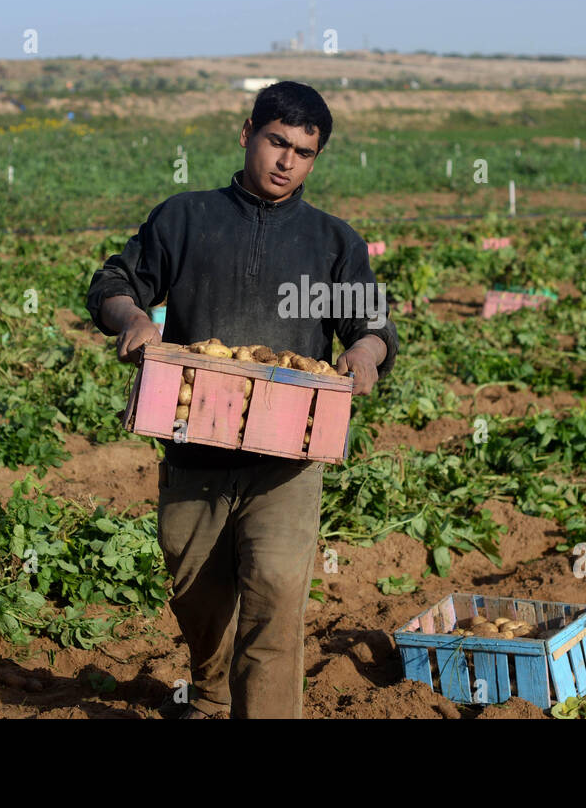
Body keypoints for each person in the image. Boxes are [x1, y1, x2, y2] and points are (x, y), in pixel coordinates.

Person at [86, 81, 399, 719]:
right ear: (247, 134)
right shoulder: (185, 219)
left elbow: (369, 326)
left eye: (304, 152)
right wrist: (133, 321)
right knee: (199, 598)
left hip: (286, 458)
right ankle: (208, 689)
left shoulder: (332, 244)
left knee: (276, 602)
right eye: (276, 142)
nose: (287, 161)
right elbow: (115, 282)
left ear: (316, 160)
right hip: (193, 446)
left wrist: (364, 355)